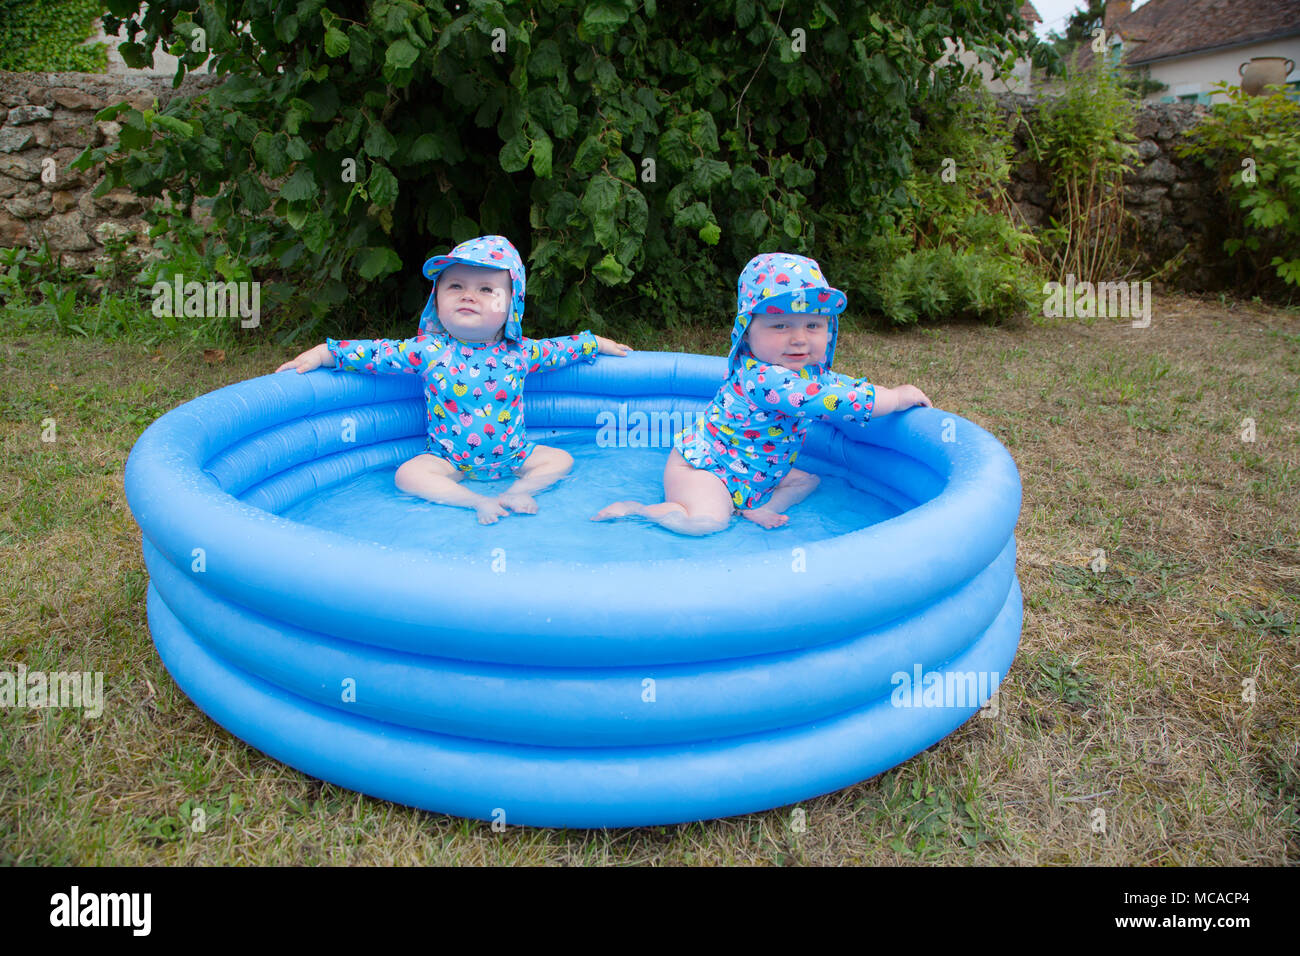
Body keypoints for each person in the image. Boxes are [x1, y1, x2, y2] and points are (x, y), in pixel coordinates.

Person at [278, 235, 630, 524]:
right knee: (408, 475)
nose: (468, 295)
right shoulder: (429, 350)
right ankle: (474, 501)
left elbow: (559, 349)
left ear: (512, 305)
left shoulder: (520, 351)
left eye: (486, 289)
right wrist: (326, 353)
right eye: (456, 285)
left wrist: (593, 343)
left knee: (560, 460)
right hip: (449, 460)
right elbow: (378, 353)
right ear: (437, 300)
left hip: (516, 456)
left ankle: (520, 491)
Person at [593, 252, 931, 535]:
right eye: (781, 325)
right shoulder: (763, 379)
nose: (799, 338)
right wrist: (891, 399)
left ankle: (760, 507)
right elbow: (830, 400)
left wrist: (872, 388)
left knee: (807, 482)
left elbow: (837, 385)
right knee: (708, 522)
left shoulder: (806, 370)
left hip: (756, 473)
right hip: (705, 470)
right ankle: (639, 510)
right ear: (748, 332)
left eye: (813, 325)